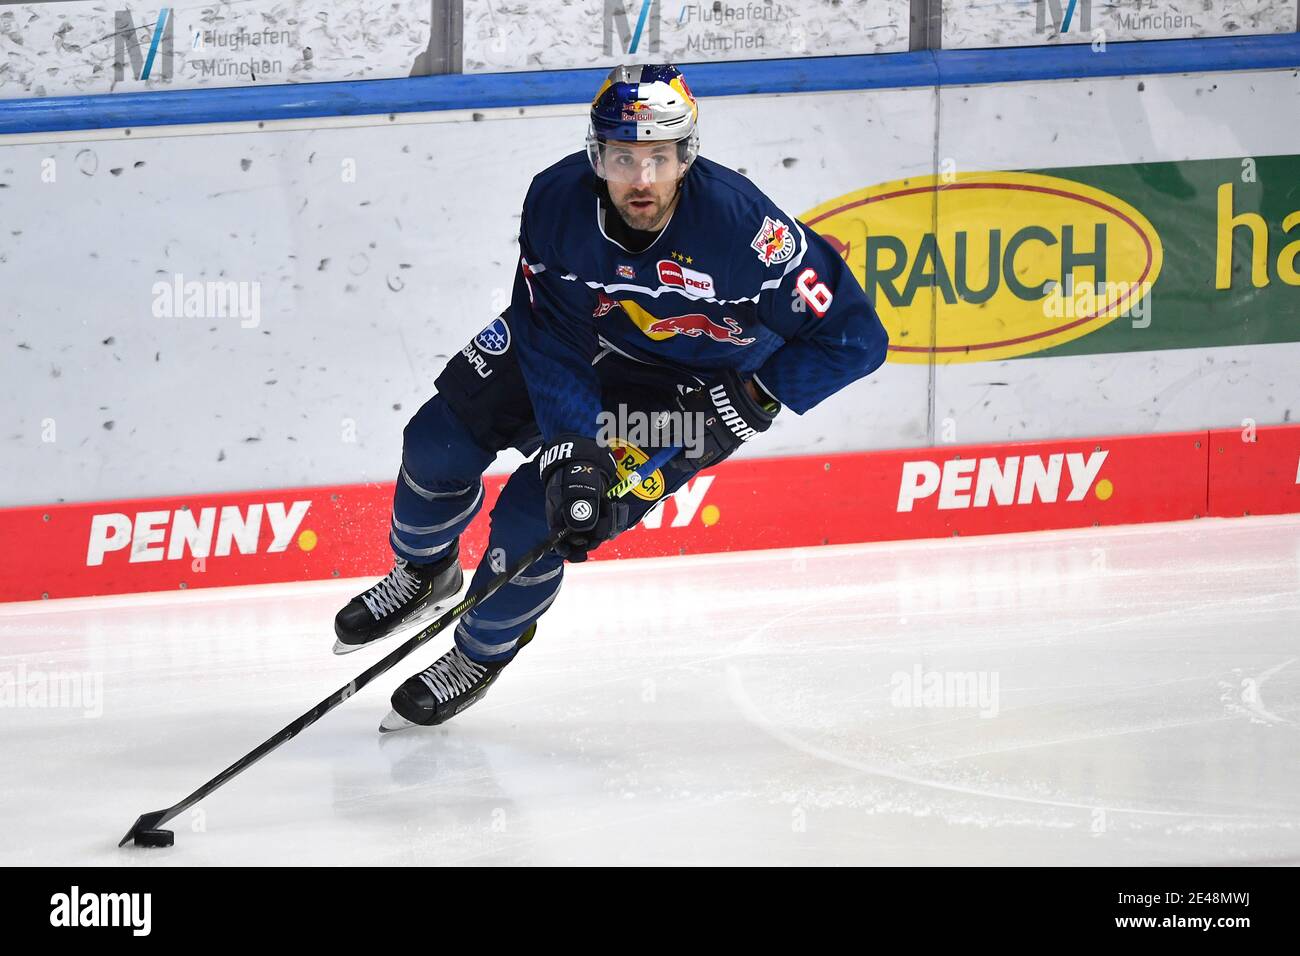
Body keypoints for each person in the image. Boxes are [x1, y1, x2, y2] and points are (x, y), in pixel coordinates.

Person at [331, 64, 890, 732]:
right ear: (599, 156)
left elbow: (856, 340)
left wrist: (746, 402)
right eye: (624, 158)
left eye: (659, 157)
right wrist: (573, 445)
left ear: (686, 155)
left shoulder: (750, 236)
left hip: (686, 391)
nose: (642, 180)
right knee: (436, 441)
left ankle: (480, 652)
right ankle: (425, 572)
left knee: (540, 518)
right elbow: (549, 332)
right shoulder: (554, 202)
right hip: (580, 340)